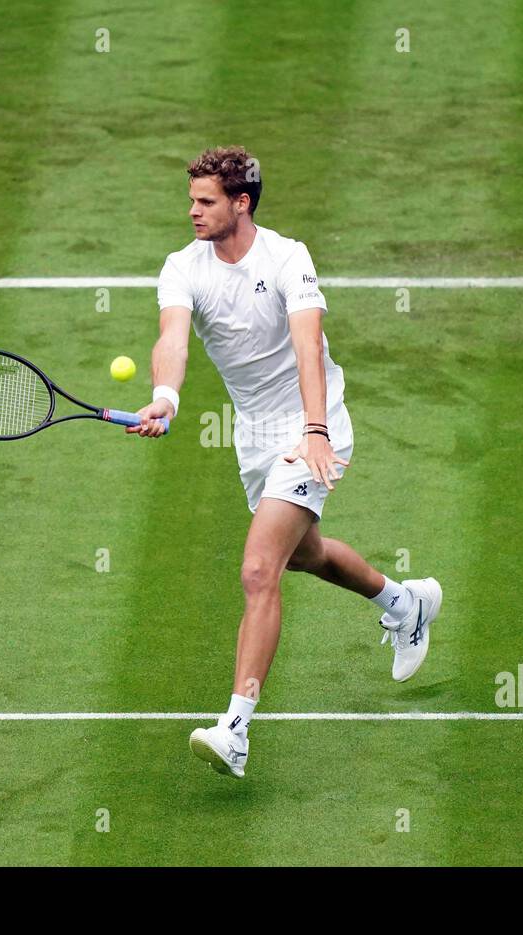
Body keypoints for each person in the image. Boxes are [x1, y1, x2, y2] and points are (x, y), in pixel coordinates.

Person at [128, 146, 442, 779]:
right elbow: (172, 339)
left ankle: (236, 728)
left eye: (205, 201)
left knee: (257, 570)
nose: (192, 211)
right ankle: (405, 603)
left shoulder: (287, 258)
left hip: (311, 422)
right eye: (191, 199)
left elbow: (308, 344)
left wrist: (318, 430)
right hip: (254, 435)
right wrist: (166, 396)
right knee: (305, 555)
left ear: (241, 204)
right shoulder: (182, 268)